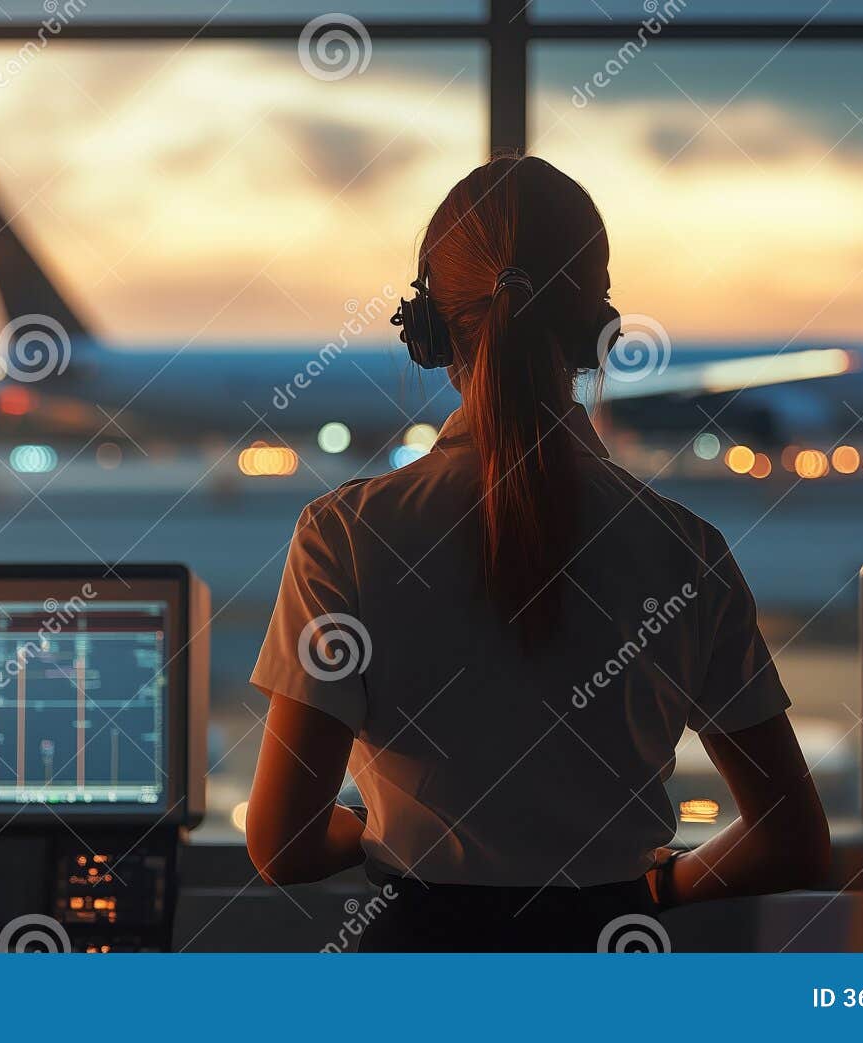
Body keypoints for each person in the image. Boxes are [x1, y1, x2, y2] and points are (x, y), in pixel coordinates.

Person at [247, 154, 829, 952]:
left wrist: (372, 826)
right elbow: (790, 839)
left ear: (427, 331)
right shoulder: (686, 550)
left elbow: (281, 846)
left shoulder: (344, 535)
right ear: (601, 329)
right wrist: (658, 884)